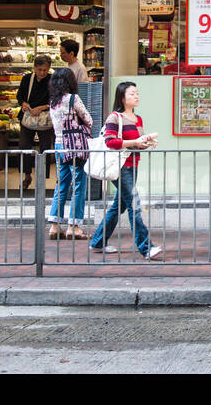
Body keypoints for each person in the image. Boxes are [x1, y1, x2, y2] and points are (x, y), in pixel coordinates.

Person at [89, 82, 162, 259]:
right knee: (134, 205)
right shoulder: (114, 117)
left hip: (133, 164)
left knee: (118, 206)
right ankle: (146, 247)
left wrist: (146, 142)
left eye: (137, 93)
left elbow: (138, 143)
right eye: (131, 94)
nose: (136, 96)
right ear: (122, 97)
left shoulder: (138, 119)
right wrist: (135, 143)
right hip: (120, 167)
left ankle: (98, 241)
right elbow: (110, 142)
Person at [46, 67, 90, 240]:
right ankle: (74, 225)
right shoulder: (73, 99)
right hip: (75, 146)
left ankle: (54, 225)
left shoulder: (52, 102)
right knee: (79, 184)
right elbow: (88, 118)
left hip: (59, 145)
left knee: (61, 183)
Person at [16, 54, 54, 191]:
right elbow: (19, 95)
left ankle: (43, 177)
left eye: (45, 70)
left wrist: (43, 107)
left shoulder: (52, 80)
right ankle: (27, 175)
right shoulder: (27, 79)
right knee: (24, 146)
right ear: (34, 68)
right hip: (28, 118)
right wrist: (23, 104)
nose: (42, 73)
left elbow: (56, 99)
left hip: (45, 119)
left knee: (45, 148)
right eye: (39, 70)